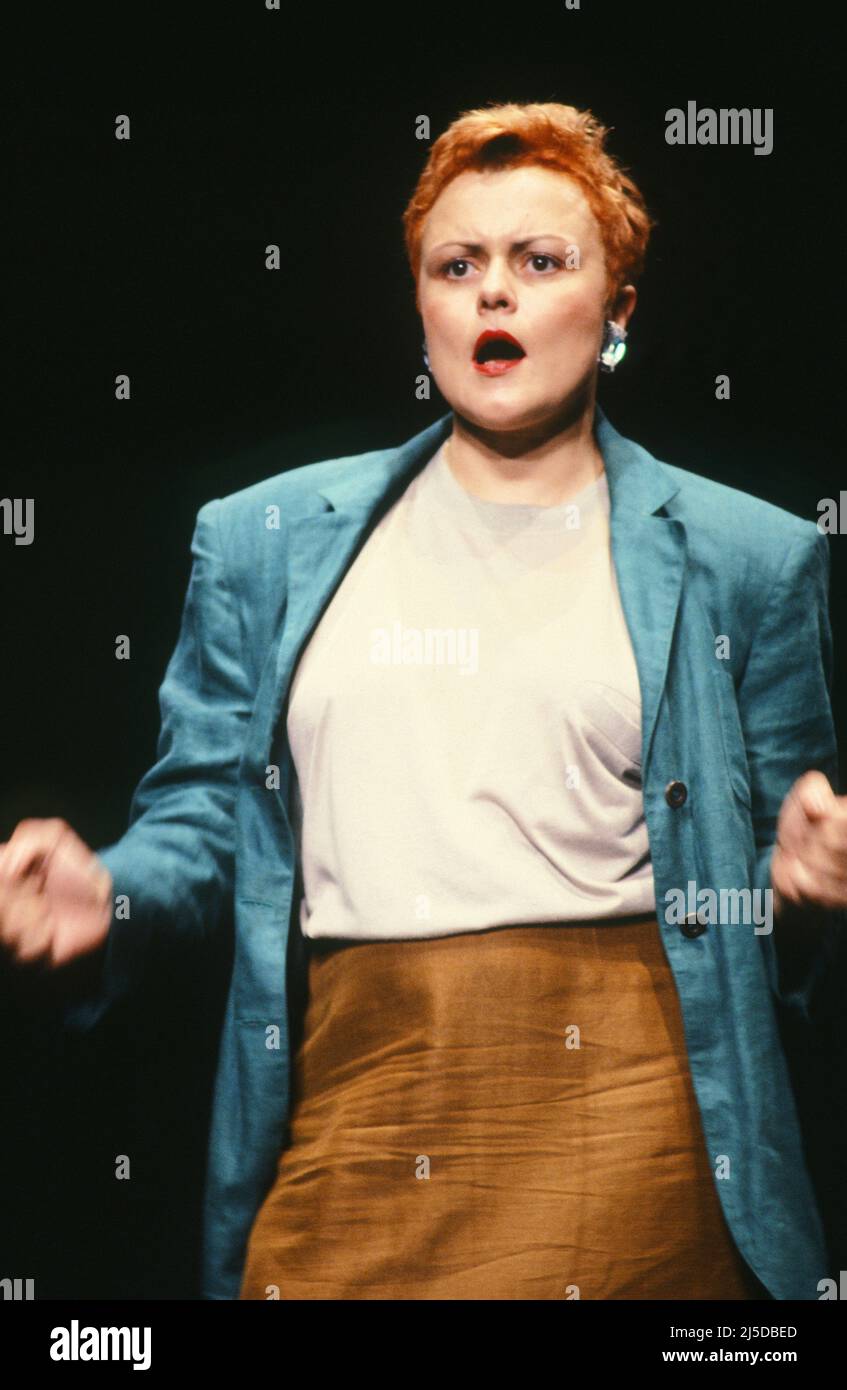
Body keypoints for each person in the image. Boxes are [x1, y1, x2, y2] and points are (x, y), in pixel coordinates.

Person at [1, 100, 845, 1301]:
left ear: (616, 313)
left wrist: (801, 889)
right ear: (424, 306)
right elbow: (202, 821)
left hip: (636, 1129)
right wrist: (113, 895)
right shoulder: (264, 540)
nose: (492, 292)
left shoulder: (743, 556)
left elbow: (773, 907)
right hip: (360, 1102)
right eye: (459, 266)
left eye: (539, 261)